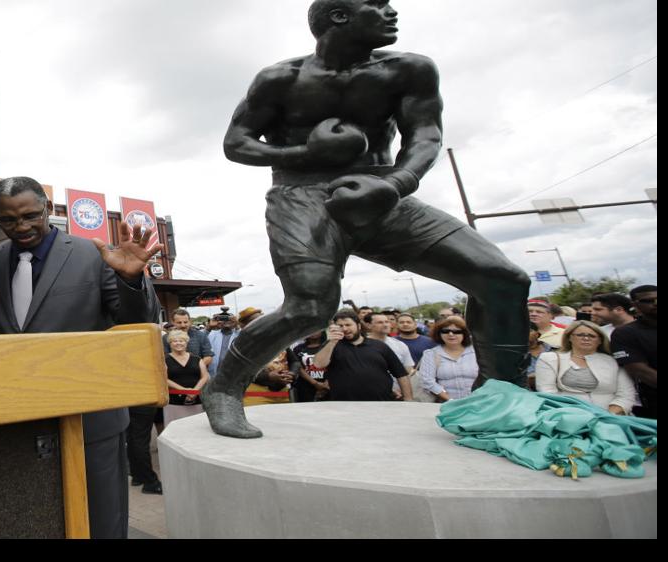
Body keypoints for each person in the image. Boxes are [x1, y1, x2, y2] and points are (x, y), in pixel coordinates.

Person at [203, 0, 531, 438]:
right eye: (377, 5)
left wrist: (397, 183)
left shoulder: (408, 69)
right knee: (310, 309)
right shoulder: (281, 78)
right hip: (301, 193)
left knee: (501, 278)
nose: (391, 11)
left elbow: (426, 134)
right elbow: (236, 143)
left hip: (379, 189)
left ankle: (500, 394)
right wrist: (305, 154)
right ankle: (223, 389)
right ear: (340, 16)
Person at [0, 176, 160, 538]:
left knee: (100, 520)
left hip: (90, 418)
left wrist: (130, 281)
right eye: (9, 220)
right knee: (30, 516)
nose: (22, 227)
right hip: (16, 420)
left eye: (31, 215)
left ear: (48, 208)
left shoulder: (92, 254)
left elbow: (137, 323)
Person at [535, 320, 637, 415]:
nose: (586, 338)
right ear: (569, 337)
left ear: (600, 340)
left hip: (611, 416)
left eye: (592, 336)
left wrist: (609, 416)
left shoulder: (614, 361)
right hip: (565, 414)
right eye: (580, 335)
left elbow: (626, 395)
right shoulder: (549, 358)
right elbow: (547, 391)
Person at [312, 310, 411, 402]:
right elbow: (319, 364)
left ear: (358, 326)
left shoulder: (379, 346)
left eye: (348, 324)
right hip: (344, 405)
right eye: (340, 326)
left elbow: (401, 374)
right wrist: (332, 342)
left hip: (381, 402)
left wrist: (408, 399)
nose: (345, 328)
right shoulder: (331, 346)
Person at [611, 285, 656, 418]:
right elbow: (640, 371)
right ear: (634, 304)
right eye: (648, 301)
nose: (655, 303)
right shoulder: (624, 333)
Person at [417, 315, 479, 402]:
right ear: (439, 333)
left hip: (478, 402)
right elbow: (427, 381)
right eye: (445, 331)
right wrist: (451, 400)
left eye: (457, 331)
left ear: (465, 334)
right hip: (445, 404)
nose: (451, 334)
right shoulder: (430, 354)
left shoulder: (477, 352)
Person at [163, 329, 208, 426]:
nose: (178, 343)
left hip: (196, 401)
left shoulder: (197, 359)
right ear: (170, 343)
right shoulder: (164, 360)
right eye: (174, 341)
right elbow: (164, 379)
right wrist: (184, 390)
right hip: (173, 402)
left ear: (186, 342)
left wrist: (194, 391)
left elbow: (204, 376)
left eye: (181, 340)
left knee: (197, 427)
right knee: (175, 429)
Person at [365, 312, 415, 398]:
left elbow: (407, 371)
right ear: (369, 325)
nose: (385, 325)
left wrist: (406, 394)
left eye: (387, 322)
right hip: (372, 394)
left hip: (398, 395)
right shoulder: (361, 345)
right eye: (380, 322)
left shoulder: (400, 345)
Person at [288, 330, 328, 402]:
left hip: (328, 387)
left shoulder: (329, 346)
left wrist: (326, 383)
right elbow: (298, 367)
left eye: (317, 329)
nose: (314, 332)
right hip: (305, 387)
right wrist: (315, 383)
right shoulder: (298, 349)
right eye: (311, 329)